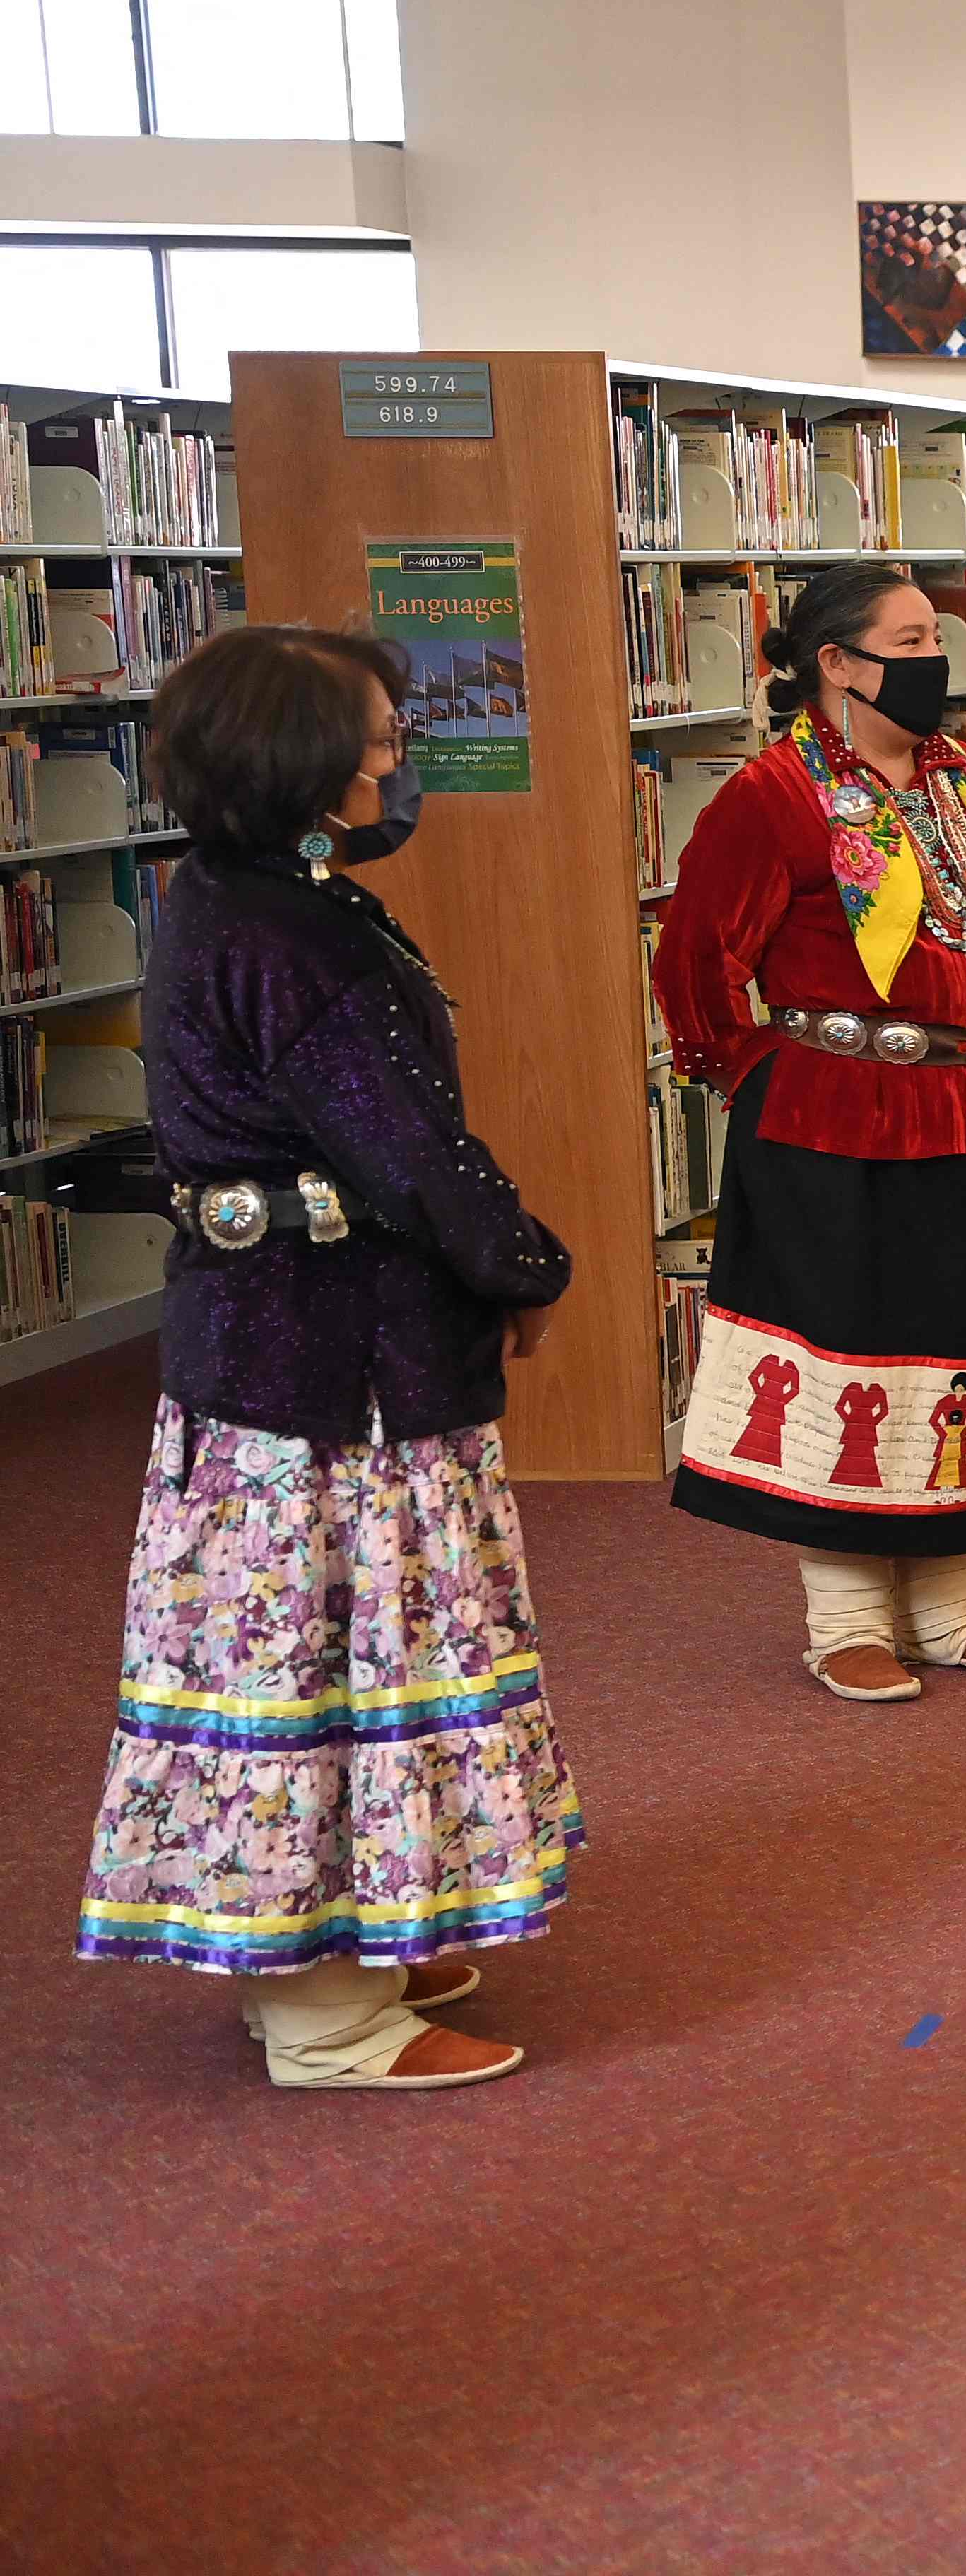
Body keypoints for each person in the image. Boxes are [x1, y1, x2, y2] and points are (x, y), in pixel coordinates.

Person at [74, 625, 579, 2090]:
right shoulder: (295, 938)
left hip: (266, 1346)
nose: (392, 757)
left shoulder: (230, 899)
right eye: (372, 734)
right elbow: (412, 1150)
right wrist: (529, 1264)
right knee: (346, 1652)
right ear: (295, 757)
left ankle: (335, 1938)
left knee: (314, 1648)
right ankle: (331, 2020)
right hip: (331, 1364)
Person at [654, 563, 966, 1702]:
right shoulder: (770, 796)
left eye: (938, 636)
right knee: (849, 1358)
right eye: (911, 637)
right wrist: (755, 1071)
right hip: (836, 1121)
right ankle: (844, 1618)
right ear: (834, 662)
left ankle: (947, 1605)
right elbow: (694, 962)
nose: (935, 658)